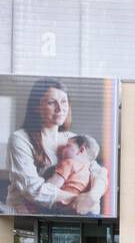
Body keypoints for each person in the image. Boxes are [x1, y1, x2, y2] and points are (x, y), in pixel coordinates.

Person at [5, 79, 109, 215]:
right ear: (36, 106)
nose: (60, 109)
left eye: (64, 101)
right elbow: (33, 189)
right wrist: (78, 199)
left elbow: (99, 173)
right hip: (24, 217)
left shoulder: (73, 139)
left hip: (65, 215)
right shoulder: (20, 139)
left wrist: (92, 197)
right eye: (51, 102)